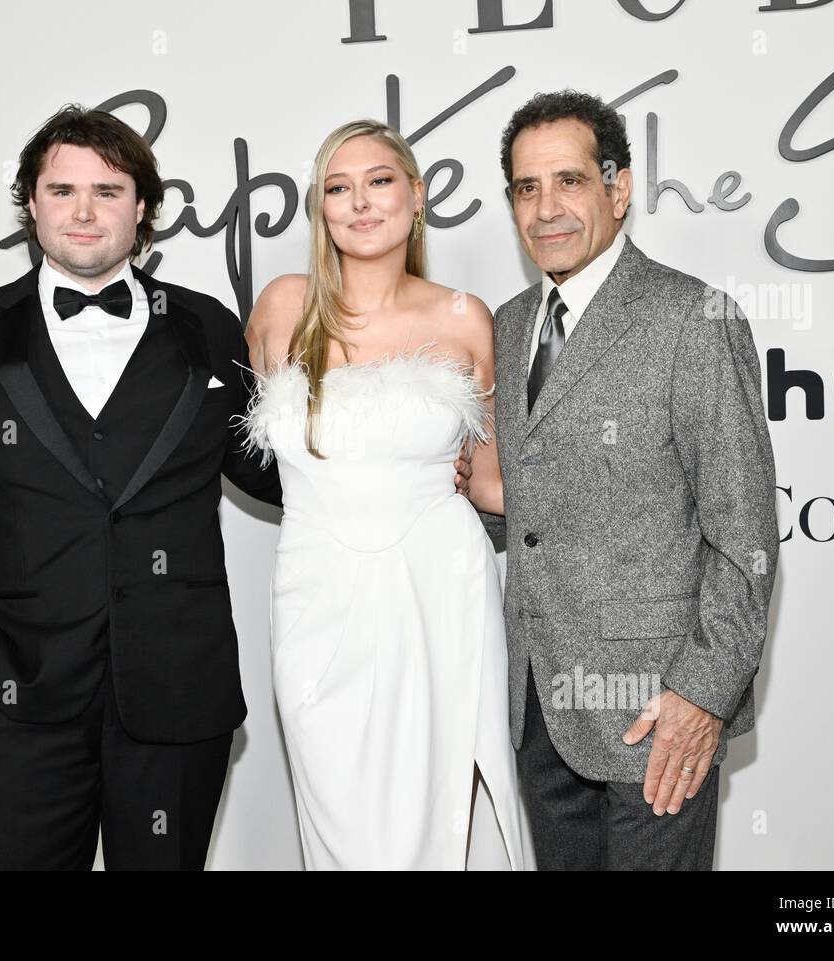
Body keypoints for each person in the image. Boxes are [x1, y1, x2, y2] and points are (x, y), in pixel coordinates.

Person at [0, 104, 286, 869]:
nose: (84, 211)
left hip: (178, 694)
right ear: (30, 204)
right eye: (62, 190)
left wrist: (392, 434)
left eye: (108, 190)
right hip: (19, 694)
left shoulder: (209, 328)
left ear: (144, 208)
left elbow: (267, 470)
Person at [460, 90, 778, 870]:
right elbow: (534, 509)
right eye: (526, 189)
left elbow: (745, 536)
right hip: (538, 707)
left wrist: (701, 696)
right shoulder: (505, 324)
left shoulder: (692, 319)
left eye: (568, 181)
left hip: (655, 713)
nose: (546, 209)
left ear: (620, 188)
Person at [239, 119, 527, 869]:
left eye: (379, 182)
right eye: (338, 187)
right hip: (317, 594)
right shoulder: (281, 307)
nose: (360, 202)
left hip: (440, 587)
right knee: (339, 811)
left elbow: (492, 479)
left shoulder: (464, 316)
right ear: (320, 208)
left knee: (446, 809)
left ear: (417, 197)